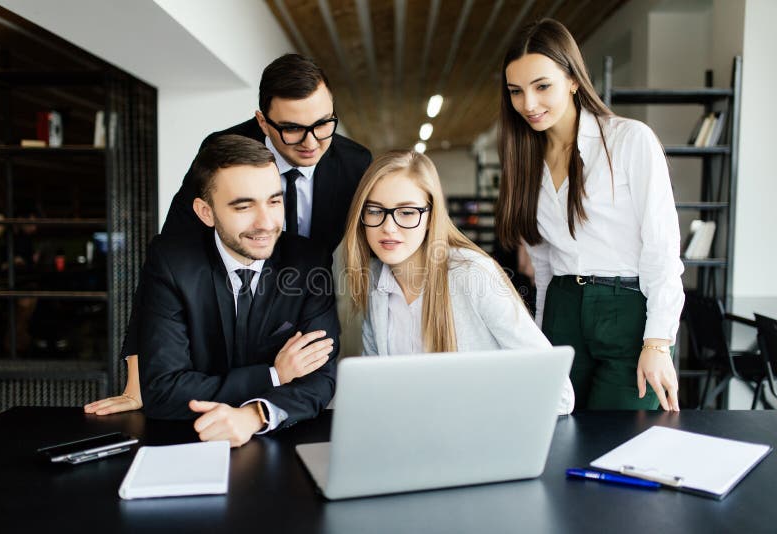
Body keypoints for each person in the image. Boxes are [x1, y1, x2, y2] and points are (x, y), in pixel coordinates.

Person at [85, 53, 371, 415]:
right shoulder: (222, 154)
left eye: (323, 123)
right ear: (263, 122)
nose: (311, 142)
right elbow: (168, 252)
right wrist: (138, 378)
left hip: (302, 295)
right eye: (293, 129)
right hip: (225, 301)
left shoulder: (354, 163)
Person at [495, 19, 684, 411]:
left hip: (626, 308)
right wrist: (540, 338)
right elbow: (544, 266)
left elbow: (662, 250)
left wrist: (658, 342)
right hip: (562, 310)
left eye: (542, 86)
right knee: (559, 435)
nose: (528, 104)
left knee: (621, 444)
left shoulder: (630, 141)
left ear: (574, 80)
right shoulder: (523, 160)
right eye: (516, 91)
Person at [135, 135, 338, 446]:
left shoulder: (309, 261)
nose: (267, 223)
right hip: (188, 444)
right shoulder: (170, 262)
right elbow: (163, 391)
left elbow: (320, 380)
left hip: (280, 446)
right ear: (206, 212)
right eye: (244, 206)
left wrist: (255, 415)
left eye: (274, 200)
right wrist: (274, 376)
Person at [342, 150, 574, 415]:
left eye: (407, 212)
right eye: (375, 211)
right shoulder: (375, 280)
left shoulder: (471, 274)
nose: (389, 227)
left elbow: (560, 395)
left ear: (431, 217)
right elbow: (375, 388)